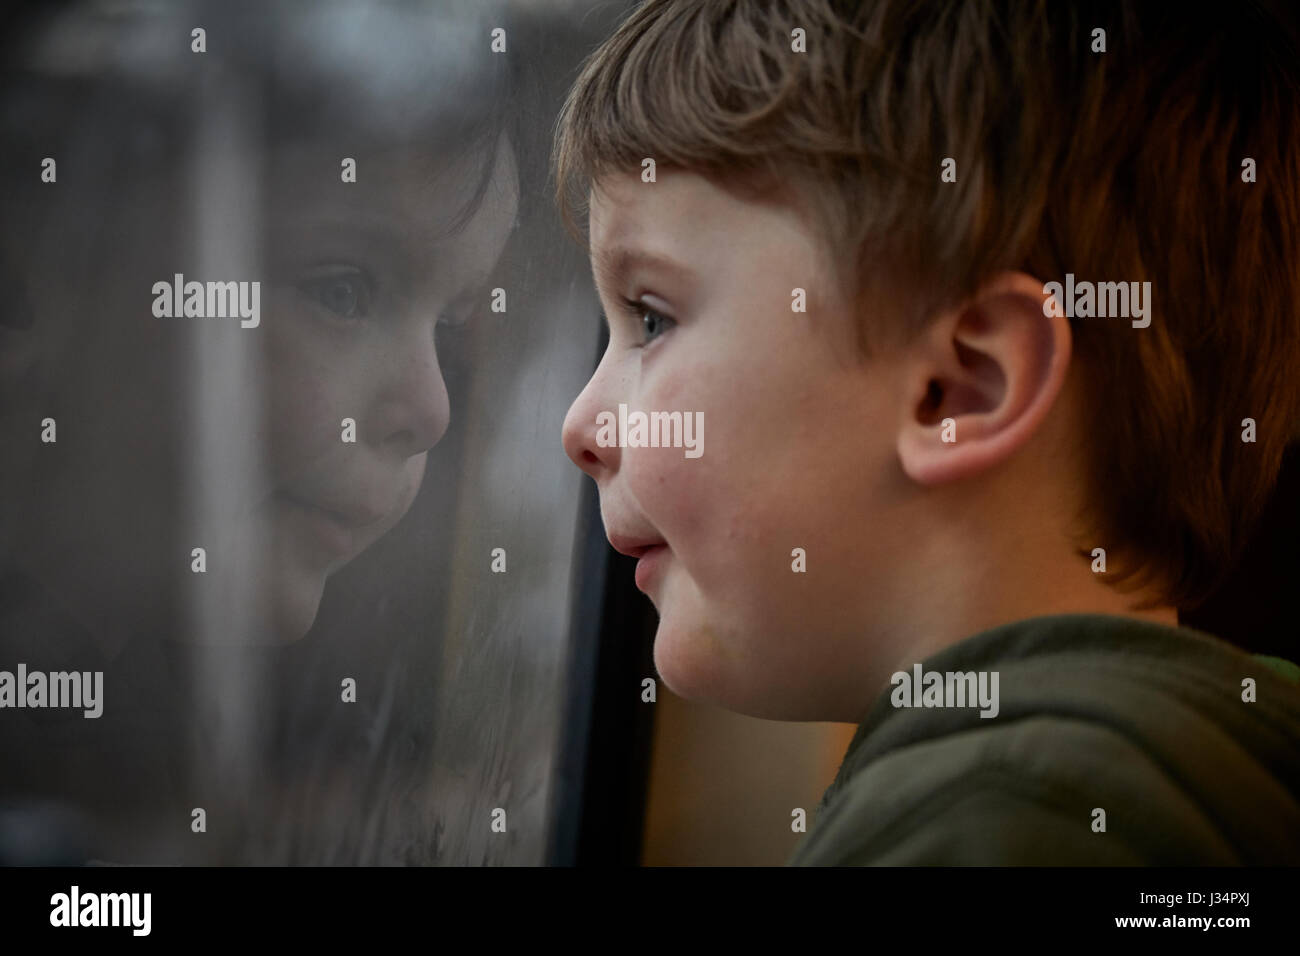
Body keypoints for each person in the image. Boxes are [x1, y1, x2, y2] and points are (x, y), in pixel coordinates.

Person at [554, 0, 1300, 864]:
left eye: (651, 317)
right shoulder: (1210, 771)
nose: (581, 424)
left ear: (958, 391)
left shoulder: (991, 829)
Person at [0, 0, 521, 863]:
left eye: (451, 331)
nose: (430, 412)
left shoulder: (159, 729)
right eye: (342, 290)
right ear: (42, 273)